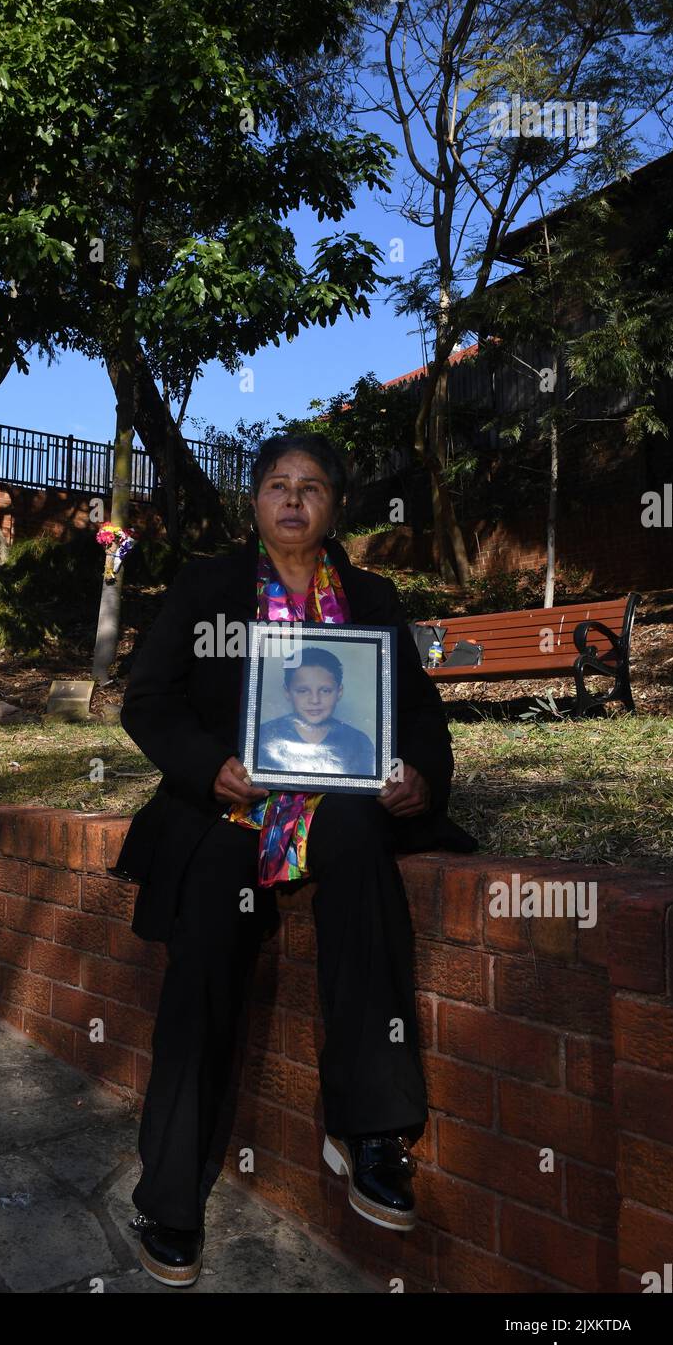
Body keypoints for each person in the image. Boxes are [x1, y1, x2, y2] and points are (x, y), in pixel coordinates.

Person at [110, 433, 478, 1287]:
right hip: (231, 816)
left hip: (338, 812)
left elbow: (423, 719)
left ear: (335, 508)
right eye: (276, 484)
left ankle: (370, 1128)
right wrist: (211, 770)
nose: (292, 499)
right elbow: (147, 700)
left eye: (311, 487)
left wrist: (421, 777)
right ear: (254, 503)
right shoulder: (206, 589)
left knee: (360, 854)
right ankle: (169, 1193)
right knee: (202, 957)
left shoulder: (376, 600)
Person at [256, 648, 376, 776]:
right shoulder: (262, 736)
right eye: (303, 691)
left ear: (339, 692)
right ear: (287, 692)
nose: (314, 700)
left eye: (325, 691)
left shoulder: (358, 742)